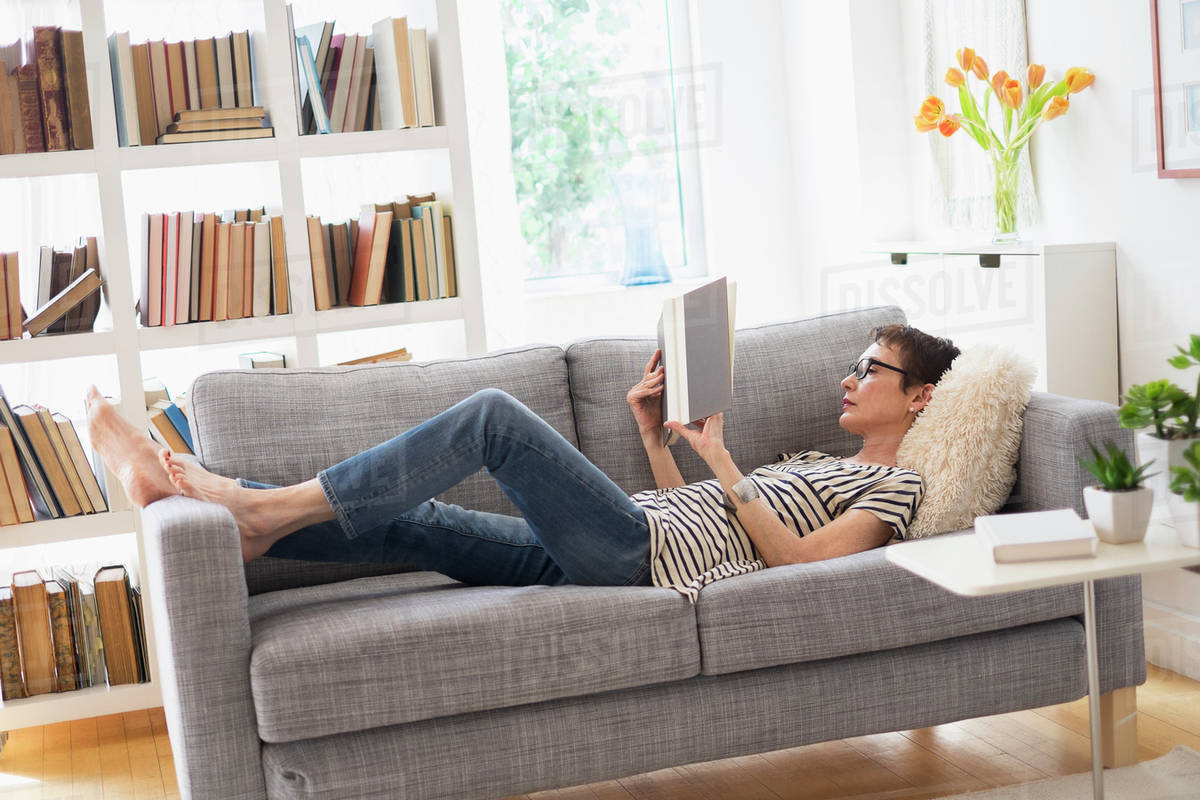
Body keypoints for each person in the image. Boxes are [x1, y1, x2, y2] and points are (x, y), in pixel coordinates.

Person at [87, 323, 959, 600]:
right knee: (421, 526)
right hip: (637, 536)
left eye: (869, 370)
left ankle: (255, 506)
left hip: (638, 560)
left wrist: (727, 461)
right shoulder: (811, 456)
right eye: (854, 365)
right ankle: (235, 523)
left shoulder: (897, 484)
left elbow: (800, 564)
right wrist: (662, 440)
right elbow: (710, 524)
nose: (849, 379)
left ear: (919, 396)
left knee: (494, 420)